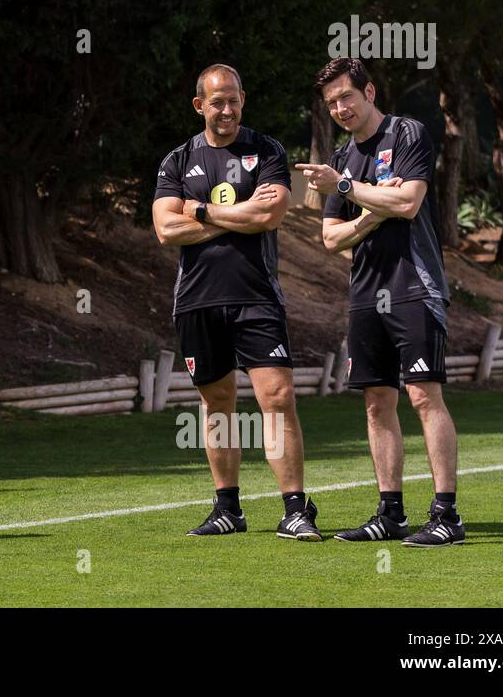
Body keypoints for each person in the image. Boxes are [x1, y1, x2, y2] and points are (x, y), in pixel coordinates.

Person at [298, 56, 463, 547]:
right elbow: (330, 238)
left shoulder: (407, 133)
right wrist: (370, 207)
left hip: (415, 284)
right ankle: (390, 513)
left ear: (369, 93)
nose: (341, 108)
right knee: (376, 402)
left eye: (347, 96)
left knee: (422, 395)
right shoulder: (343, 161)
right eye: (331, 103)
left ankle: (447, 515)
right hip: (366, 293)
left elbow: (409, 202)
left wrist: (350, 191)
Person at [153, 64, 320, 541]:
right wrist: (240, 216)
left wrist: (201, 210)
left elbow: (271, 214)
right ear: (199, 105)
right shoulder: (177, 160)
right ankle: (228, 507)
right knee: (217, 402)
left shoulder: (266, 150)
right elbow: (166, 229)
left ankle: (293, 509)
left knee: (278, 398)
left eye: (233, 100)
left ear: (243, 99)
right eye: (216, 101)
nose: (226, 109)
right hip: (197, 300)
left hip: (256, 297)